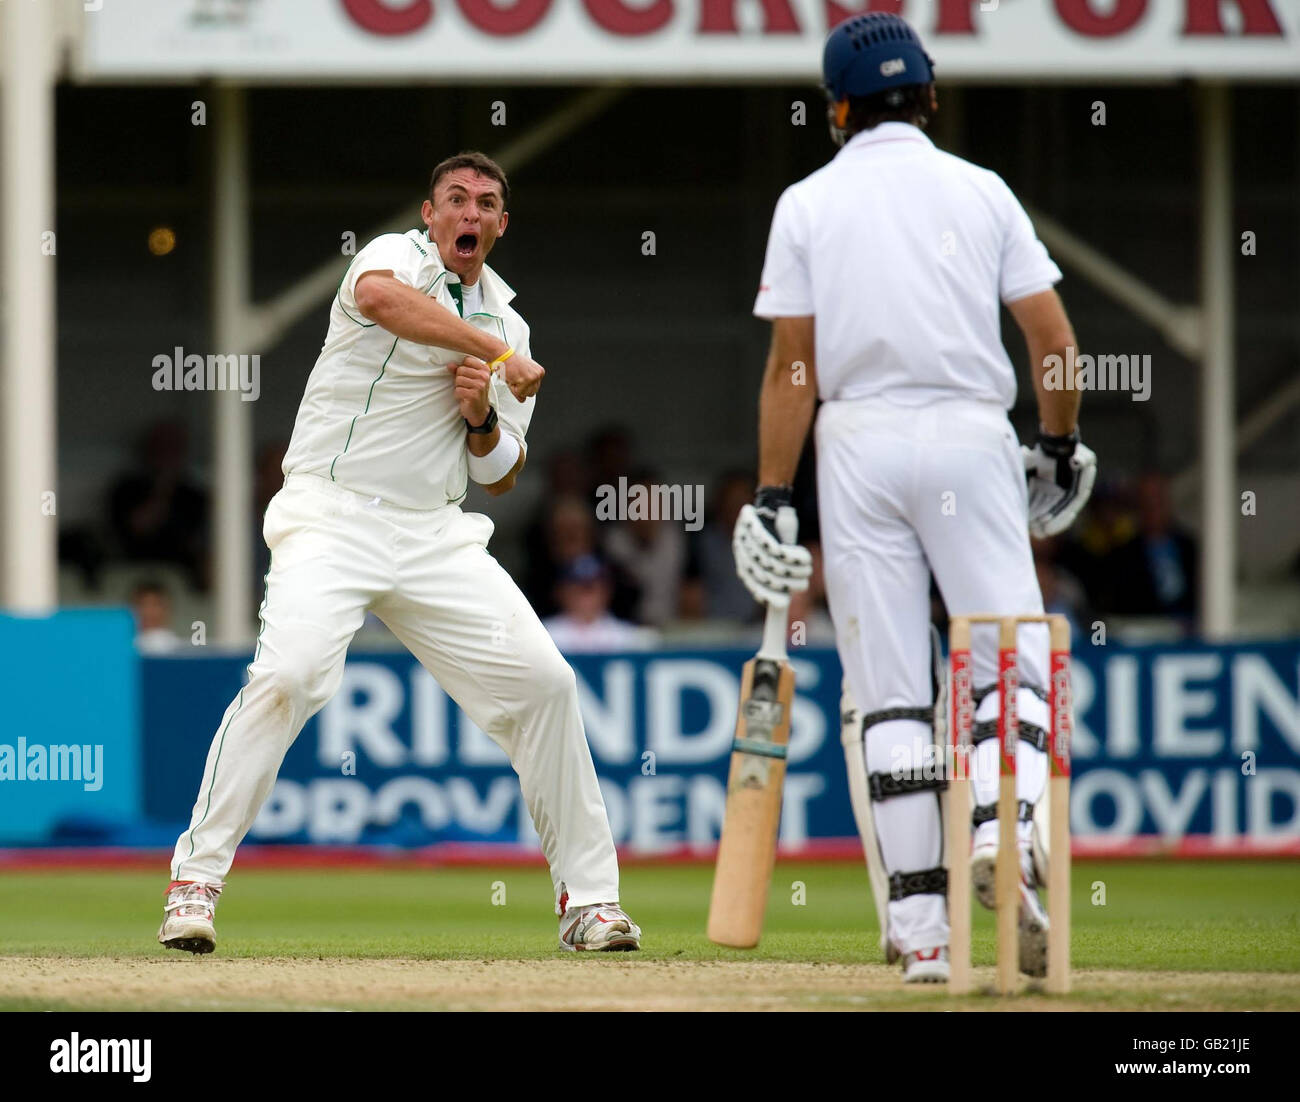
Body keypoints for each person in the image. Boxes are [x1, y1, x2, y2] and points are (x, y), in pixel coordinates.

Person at [159, 151, 640, 956]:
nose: (470, 213)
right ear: (430, 214)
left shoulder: (511, 326)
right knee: (289, 674)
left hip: (434, 534)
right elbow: (381, 302)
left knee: (547, 685)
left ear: (500, 225)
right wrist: (491, 357)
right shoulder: (391, 258)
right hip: (332, 513)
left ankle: (589, 904)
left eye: (486, 203)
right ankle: (194, 882)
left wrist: (481, 418)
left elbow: (499, 474)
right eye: (456, 199)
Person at [733, 14, 1095, 985]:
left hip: (855, 442)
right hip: (972, 432)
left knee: (891, 688)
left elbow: (790, 369)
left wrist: (774, 495)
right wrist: (1055, 445)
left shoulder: (807, 202)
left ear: (838, 107)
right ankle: (1000, 821)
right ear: (928, 95)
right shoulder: (980, 190)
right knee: (1007, 649)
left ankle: (924, 935)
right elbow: (1053, 340)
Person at [544, 554, 658, 653]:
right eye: (578, 589)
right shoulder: (546, 635)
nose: (585, 597)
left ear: (606, 592)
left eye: (590, 588)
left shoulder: (628, 638)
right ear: (563, 592)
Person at [131, 579, 183, 654]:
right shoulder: (122, 646)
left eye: (155, 604)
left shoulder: (178, 648)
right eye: (142, 604)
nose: (148, 611)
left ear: (167, 609)